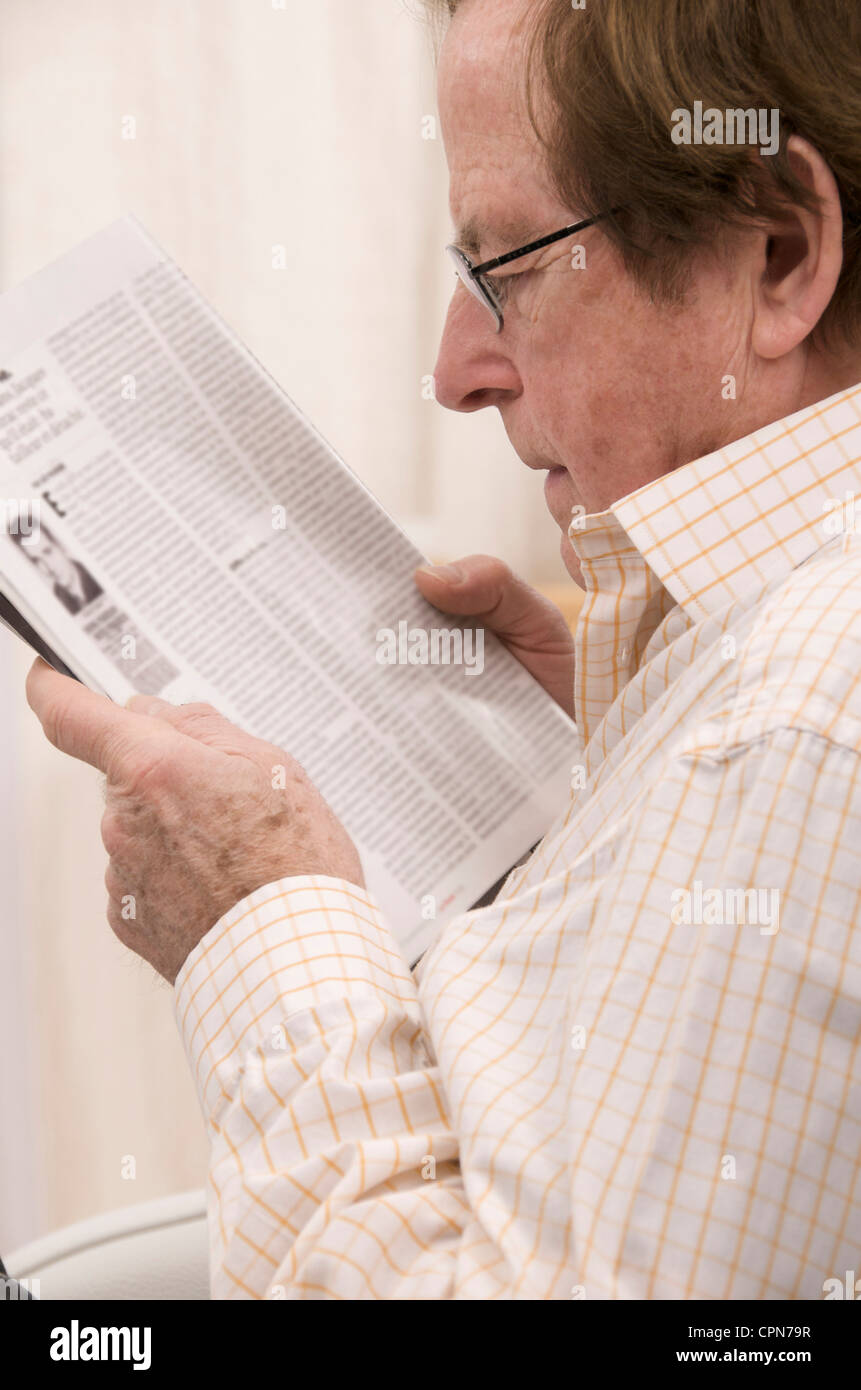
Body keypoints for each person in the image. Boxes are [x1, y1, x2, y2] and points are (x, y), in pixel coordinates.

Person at [25, 0, 861, 1297]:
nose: (456, 371)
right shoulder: (762, 697)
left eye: (505, 271)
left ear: (779, 252)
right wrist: (611, 772)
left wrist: (261, 914)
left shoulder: (793, 731)